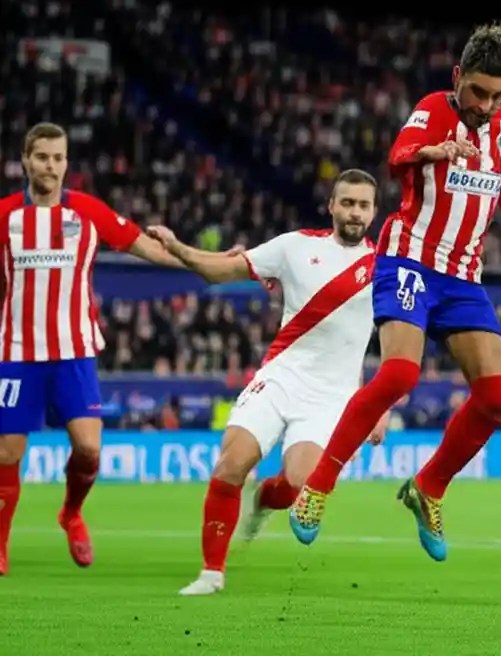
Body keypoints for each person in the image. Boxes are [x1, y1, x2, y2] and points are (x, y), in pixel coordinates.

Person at [289, 23, 501, 559]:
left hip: (464, 274)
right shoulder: (433, 109)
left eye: (498, 95)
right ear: (457, 77)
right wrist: (435, 150)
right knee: (400, 372)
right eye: (478, 92)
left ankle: (428, 488)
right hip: (409, 258)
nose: (486, 105)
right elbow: (397, 156)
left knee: (499, 395)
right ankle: (319, 484)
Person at [148, 170, 386, 595]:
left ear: (373, 212)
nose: (354, 212)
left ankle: (262, 501)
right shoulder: (294, 246)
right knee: (232, 462)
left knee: (296, 487)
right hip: (281, 378)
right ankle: (211, 573)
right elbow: (220, 271)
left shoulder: (385, 267)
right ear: (332, 205)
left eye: (363, 205)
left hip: (332, 398)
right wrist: (180, 249)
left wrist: (380, 405)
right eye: (347, 202)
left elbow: (392, 337)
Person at [0, 122, 191, 575]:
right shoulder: (6, 215)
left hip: (73, 351)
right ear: (26, 160)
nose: (51, 165)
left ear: (67, 162)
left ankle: (70, 513)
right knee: (7, 454)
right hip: (16, 352)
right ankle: (2, 542)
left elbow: (148, 249)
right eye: (42, 157)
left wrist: (211, 261)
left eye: (58, 158)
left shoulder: (87, 211)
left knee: (88, 449)